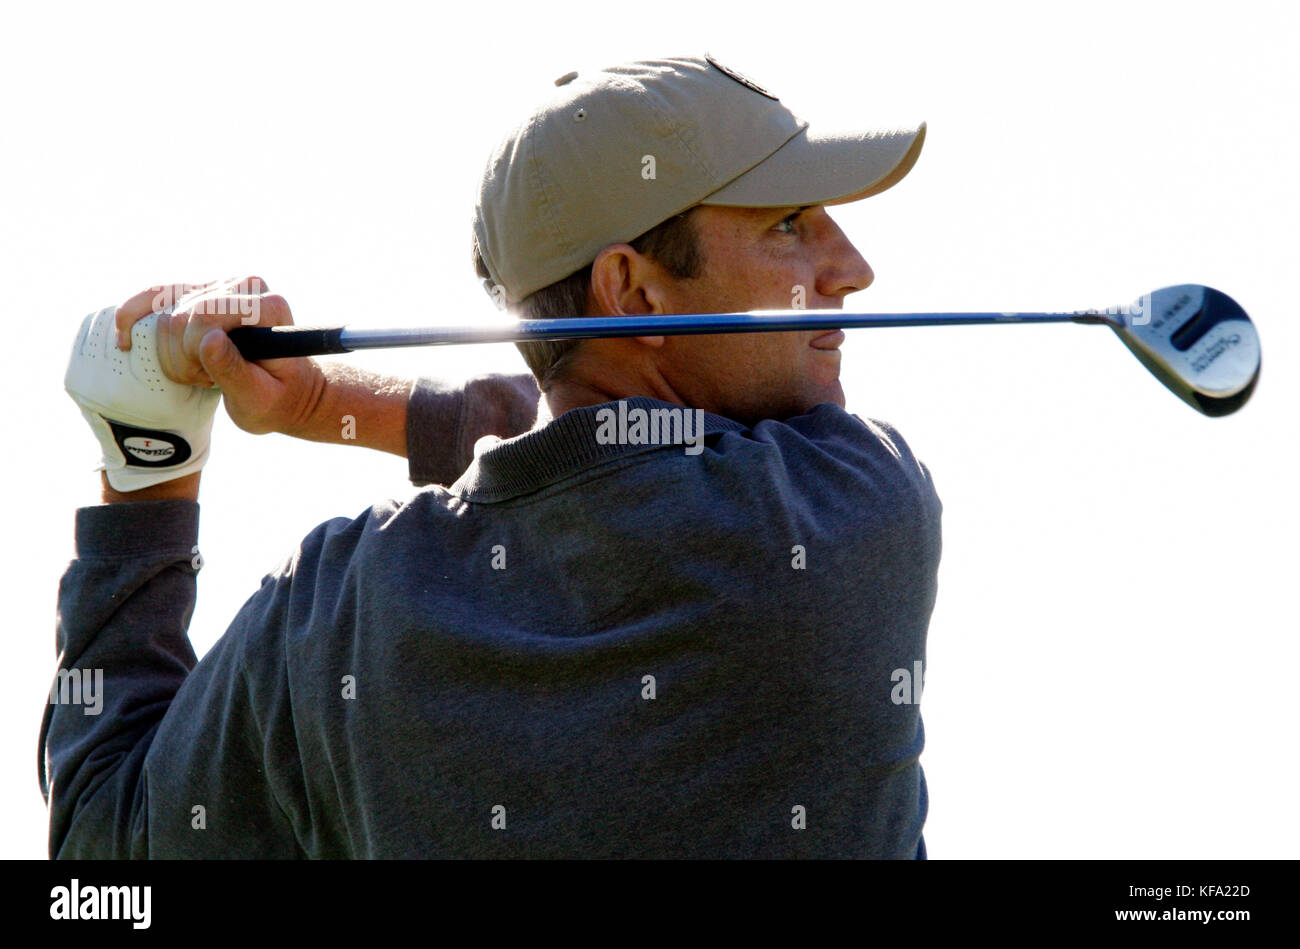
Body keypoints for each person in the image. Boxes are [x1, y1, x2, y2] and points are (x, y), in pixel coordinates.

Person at [45, 54, 940, 858]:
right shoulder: (853, 503)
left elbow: (100, 841)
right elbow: (610, 457)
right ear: (633, 291)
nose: (852, 266)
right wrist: (339, 408)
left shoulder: (339, 605)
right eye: (788, 224)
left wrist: (149, 458)